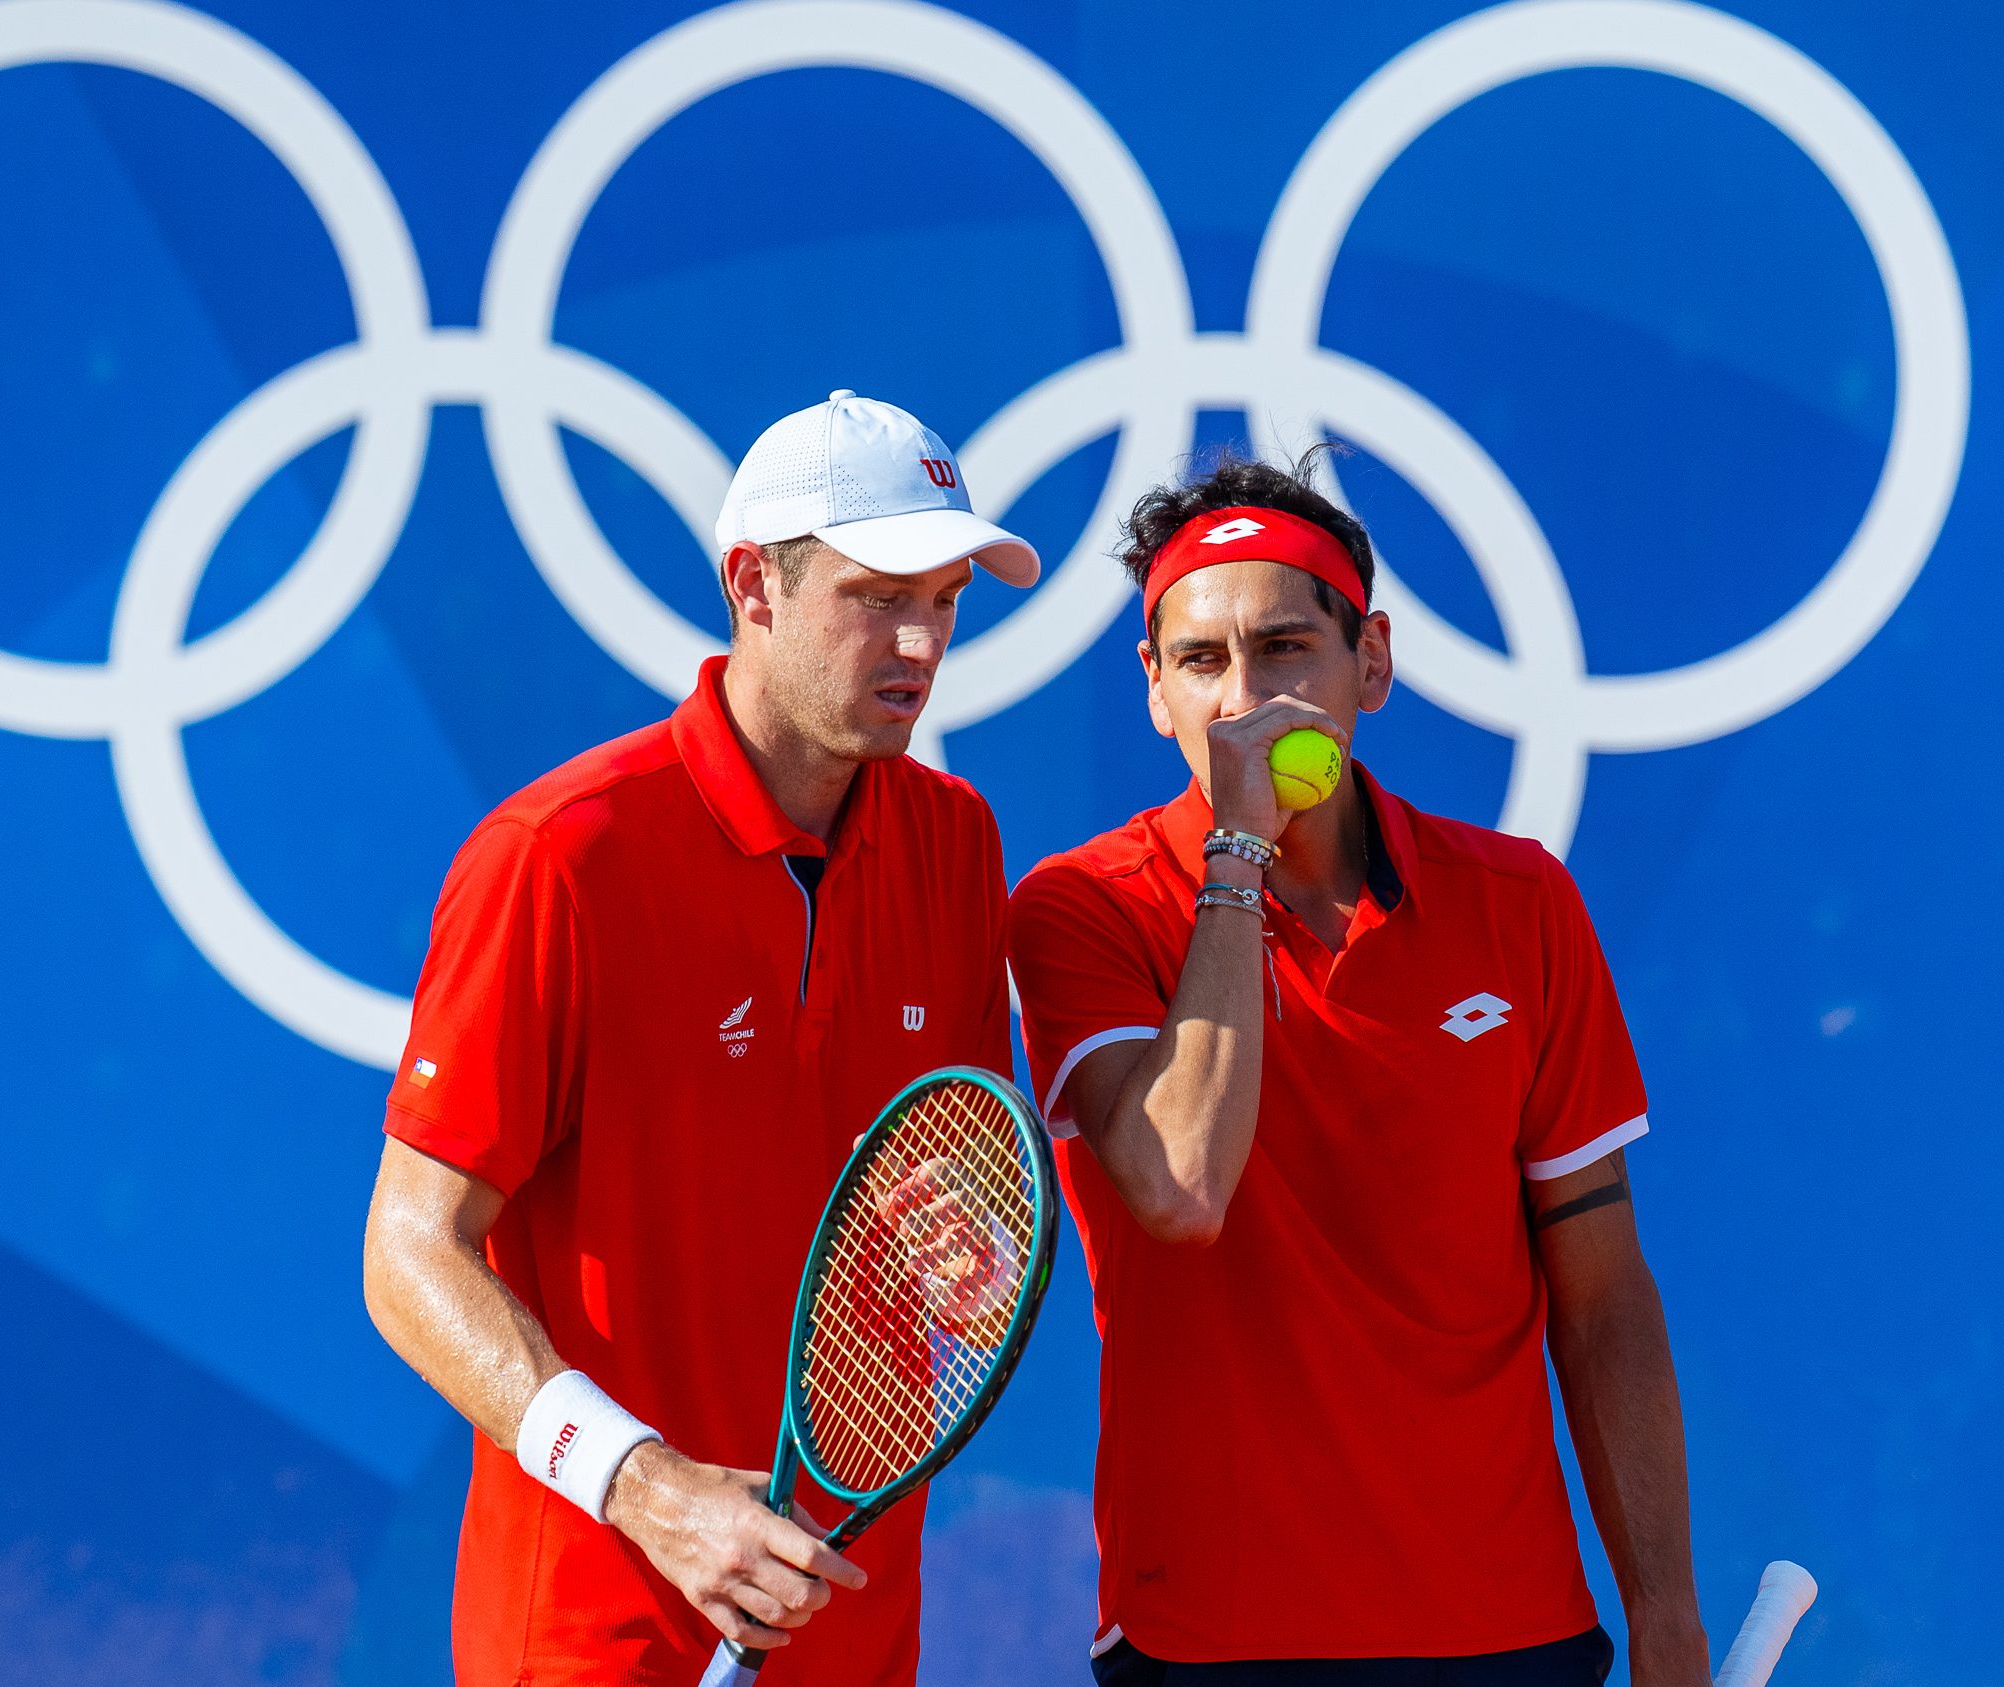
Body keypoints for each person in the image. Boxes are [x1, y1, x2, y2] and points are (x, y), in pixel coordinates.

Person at [361, 391, 1032, 1685]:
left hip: (851, 1619)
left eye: (945, 601)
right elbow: (407, 1253)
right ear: (752, 586)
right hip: (594, 1635)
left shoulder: (956, 842)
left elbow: (956, 1180)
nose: (920, 642)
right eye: (877, 595)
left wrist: (971, 1248)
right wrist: (647, 1485)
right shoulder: (559, 857)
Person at [1008, 450, 1709, 1687]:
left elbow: (1602, 1294)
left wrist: (1667, 1617)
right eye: (1201, 661)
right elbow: (1178, 1184)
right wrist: (1239, 851)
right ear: (1155, 691)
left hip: (1511, 1634)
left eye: (1285, 648)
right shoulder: (1081, 910)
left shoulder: (1522, 903)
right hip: (1215, 1644)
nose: (1246, 700)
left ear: (1369, 663)